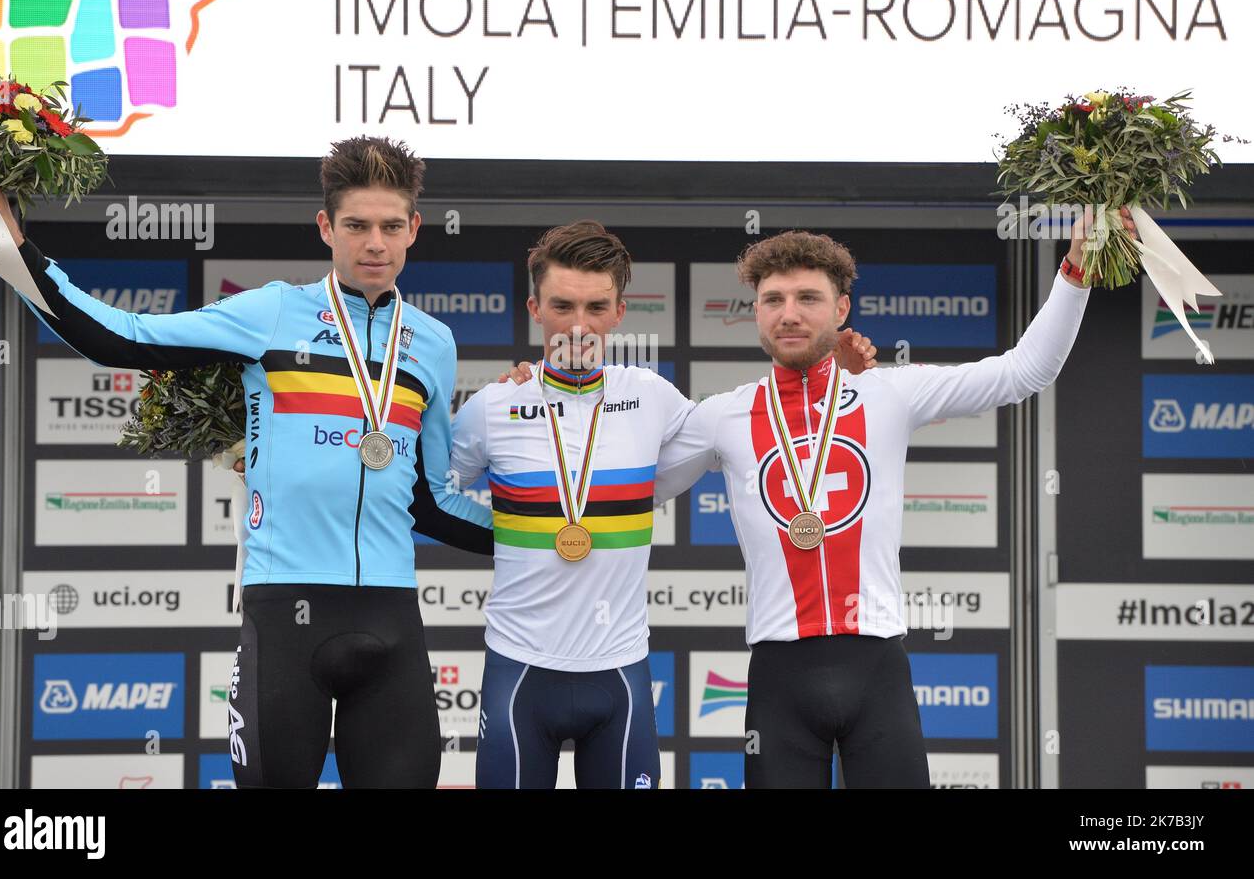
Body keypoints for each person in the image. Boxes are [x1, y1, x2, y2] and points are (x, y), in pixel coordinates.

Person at [0, 136, 493, 788]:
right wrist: (13, 247)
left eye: (392, 226)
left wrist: (553, 531)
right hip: (285, 619)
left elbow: (432, 499)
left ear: (414, 228)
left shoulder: (434, 343)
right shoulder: (274, 312)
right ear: (326, 226)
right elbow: (123, 338)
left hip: (392, 623)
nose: (375, 244)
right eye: (357, 225)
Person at [651, 207, 1134, 788]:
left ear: (842, 309)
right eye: (774, 300)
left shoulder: (888, 393)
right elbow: (634, 486)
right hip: (780, 672)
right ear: (755, 312)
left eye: (808, 297)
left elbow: (1023, 372)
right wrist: (538, 396)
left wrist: (1075, 270)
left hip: (876, 665)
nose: (790, 314)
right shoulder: (721, 415)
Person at [452, 221, 875, 788]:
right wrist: (510, 531)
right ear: (534, 306)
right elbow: (433, 496)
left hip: (620, 674)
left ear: (620, 312)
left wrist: (833, 381)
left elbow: (751, 425)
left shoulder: (649, 396)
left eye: (597, 307)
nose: (578, 326)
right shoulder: (493, 405)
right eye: (562, 306)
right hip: (519, 668)